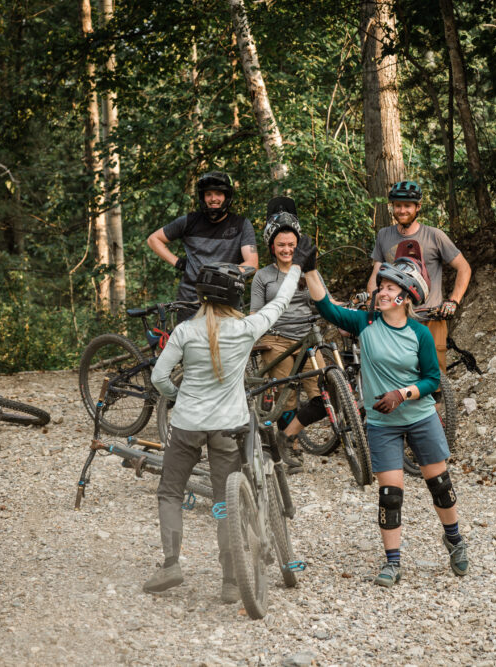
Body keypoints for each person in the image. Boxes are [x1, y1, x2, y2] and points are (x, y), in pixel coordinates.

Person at [142, 235, 316, 599]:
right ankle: (230, 581)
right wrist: (296, 264)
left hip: (187, 425)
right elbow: (281, 302)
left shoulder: (185, 331)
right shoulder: (245, 328)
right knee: (225, 500)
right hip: (228, 428)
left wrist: (180, 398)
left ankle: (171, 563)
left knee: (170, 492)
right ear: (236, 297)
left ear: (203, 296)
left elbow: (159, 378)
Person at [307, 260, 468, 587]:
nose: (381, 292)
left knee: (440, 485)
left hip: (419, 416)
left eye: (390, 288)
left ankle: (454, 539)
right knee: (390, 493)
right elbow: (327, 307)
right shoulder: (366, 322)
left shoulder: (419, 333)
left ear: (405, 296)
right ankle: (392, 562)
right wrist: (309, 270)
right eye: (381, 287)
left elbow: (432, 380)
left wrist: (401, 393)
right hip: (383, 423)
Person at [367, 181, 471, 373]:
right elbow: (376, 275)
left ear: (418, 207)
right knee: (398, 375)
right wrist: (374, 301)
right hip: (395, 319)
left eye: (407, 206)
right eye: (398, 205)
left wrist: (453, 301)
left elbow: (464, 268)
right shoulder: (384, 235)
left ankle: (437, 404)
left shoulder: (434, 236)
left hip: (431, 317)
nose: (402, 210)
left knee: (434, 381)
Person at [250, 198, 322, 472]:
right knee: (287, 398)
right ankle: (289, 448)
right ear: (272, 246)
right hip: (276, 340)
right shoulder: (263, 277)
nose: (287, 249)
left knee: (324, 395)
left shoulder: (308, 270)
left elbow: (322, 300)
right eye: (281, 245)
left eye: (292, 245)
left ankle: (287, 435)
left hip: (307, 340)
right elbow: (256, 312)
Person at [147, 171, 259, 321]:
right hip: (191, 299)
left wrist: (222, 275)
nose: (213, 199)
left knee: (227, 344)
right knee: (188, 343)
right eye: (209, 194)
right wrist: (179, 263)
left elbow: (252, 263)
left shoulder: (241, 225)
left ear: (227, 196)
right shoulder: (189, 221)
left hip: (226, 299)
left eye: (218, 193)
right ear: (203, 197)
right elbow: (153, 239)